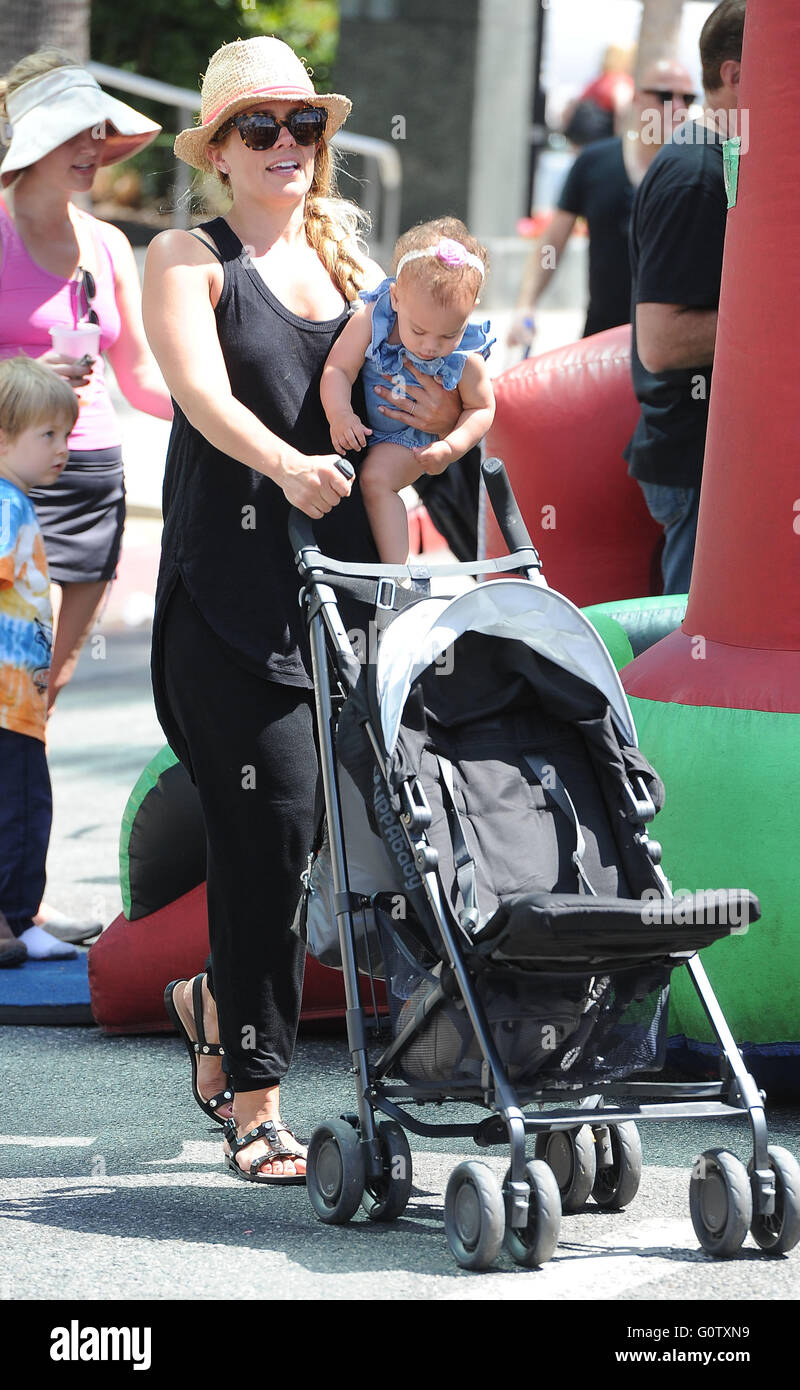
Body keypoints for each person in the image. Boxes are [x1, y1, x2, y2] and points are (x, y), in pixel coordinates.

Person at [142, 37, 462, 1181]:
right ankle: (256, 1099)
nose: (286, 146)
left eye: (303, 126)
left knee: (321, 831)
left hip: (347, 601)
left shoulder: (358, 275)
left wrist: (441, 429)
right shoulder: (189, 254)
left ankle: (216, 997)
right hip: (228, 606)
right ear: (218, 150)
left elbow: (414, 408)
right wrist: (284, 465)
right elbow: (200, 390)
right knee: (268, 821)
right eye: (259, 128)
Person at [0, 50, 173, 716]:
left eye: (99, 130)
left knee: (51, 678)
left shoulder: (105, 244)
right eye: (75, 130)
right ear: (34, 141)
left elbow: (140, 378)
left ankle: (20, 813)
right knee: (9, 671)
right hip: (11, 481)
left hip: (93, 477)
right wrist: (20, 379)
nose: (93, 145)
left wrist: (229, 413)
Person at [624, 0, 746, 595]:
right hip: (694, 459)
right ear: (735, 73)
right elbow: (664, 341)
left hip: (702, 455)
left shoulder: (711, 160)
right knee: (691, 652)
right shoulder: (696, 172)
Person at [322, 218, 495, 565]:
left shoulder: (465, 356)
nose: (431, 346)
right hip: (364, 425)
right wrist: (340, 414)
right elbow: (338, 368)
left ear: (471, 311)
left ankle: (395, 572)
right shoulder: (374, 321)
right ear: (396, 297)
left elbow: (481, 409)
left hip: (409, 441)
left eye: (448, 334)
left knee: (375, 480)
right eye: (418, 331)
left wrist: (450, 447)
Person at [509, 59, 696, 349]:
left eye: (688, 98)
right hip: (600, 338)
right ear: (636, 99)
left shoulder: (700, 169)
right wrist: (526, 305)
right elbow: (554, 240)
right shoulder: (595, 161)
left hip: (672, 351)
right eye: (664, 96)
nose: (677, 107)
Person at [0, 355, 79, 963]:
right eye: (47, 435)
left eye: (67, 434)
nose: (62, 448)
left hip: (18, 696)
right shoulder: (6, 505)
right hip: (7, 702)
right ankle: (16, 920)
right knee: (23, 807)